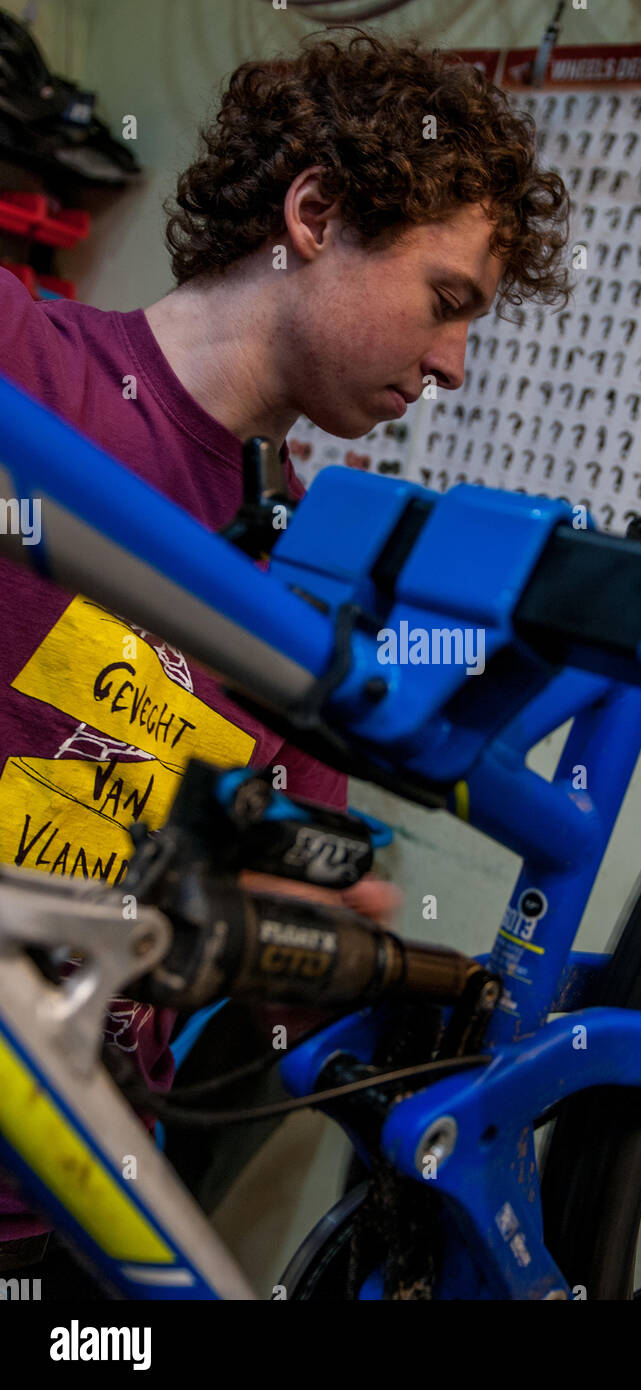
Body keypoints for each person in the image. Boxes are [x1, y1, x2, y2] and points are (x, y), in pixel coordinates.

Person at [0, 27, 570, 1294]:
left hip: (65, 1214)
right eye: (445, 301)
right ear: (313, 214)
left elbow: (289, 933)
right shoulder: (26, 369)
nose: (449, 367)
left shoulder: (312, 584)